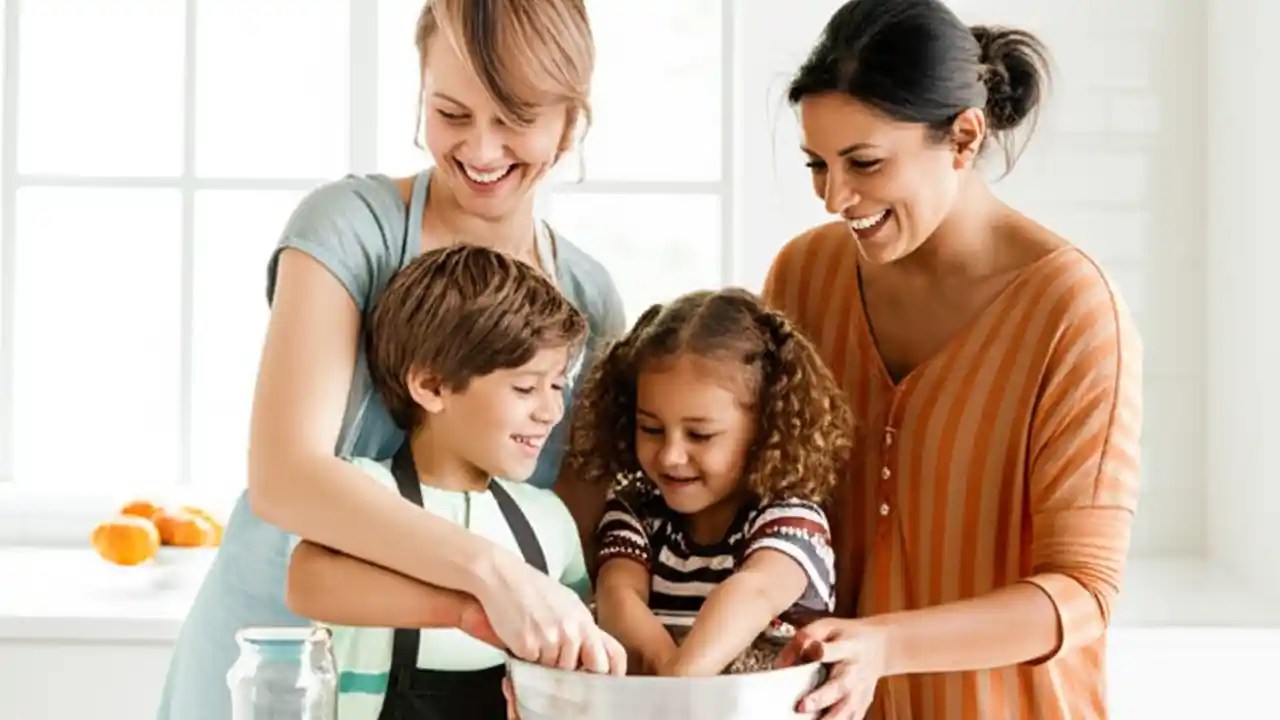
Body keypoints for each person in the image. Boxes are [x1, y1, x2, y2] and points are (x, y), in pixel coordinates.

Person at [156, 2, 626, 718]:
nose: (482, 149)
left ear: (572, 118)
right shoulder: (350, 228)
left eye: (516, 118)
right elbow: (286, 478)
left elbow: (567, 547)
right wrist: (490, 577)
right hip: (283, 667)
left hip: (465, 691)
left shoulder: (588, 302)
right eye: (452, 112)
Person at [763, 1, 1143, 718]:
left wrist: (887, 645)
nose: (835, 198)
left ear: (964, 137)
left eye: (865, 163)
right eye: (819, 164)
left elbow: (1083, 591)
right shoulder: (802, 278)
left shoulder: (1072, 310)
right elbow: (768, 504)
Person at [287, 245, 606, 720]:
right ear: (432, 387)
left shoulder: (548, 520)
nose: (551, 411)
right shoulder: (366, 492)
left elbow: (577, 649)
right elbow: (306, 583)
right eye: (525, 387)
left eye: (557, 385)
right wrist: (465, 610)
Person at [566, 289, 853, 676]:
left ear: (765, 429)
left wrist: (680, 685)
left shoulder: (791, 521)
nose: (670, 455)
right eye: (651, 428)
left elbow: (753, 591)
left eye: (700, 435)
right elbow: (619, 593)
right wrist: (673, 686)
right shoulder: (636, 509)